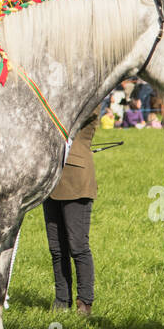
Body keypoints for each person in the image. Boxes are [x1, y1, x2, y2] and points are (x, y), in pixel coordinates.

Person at [42, 111, 99, 317]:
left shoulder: (88, 100)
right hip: (51, 179)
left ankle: (84, 302)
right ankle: (61, 300)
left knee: (78, 246)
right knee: (57, 248)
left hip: (76, 180)